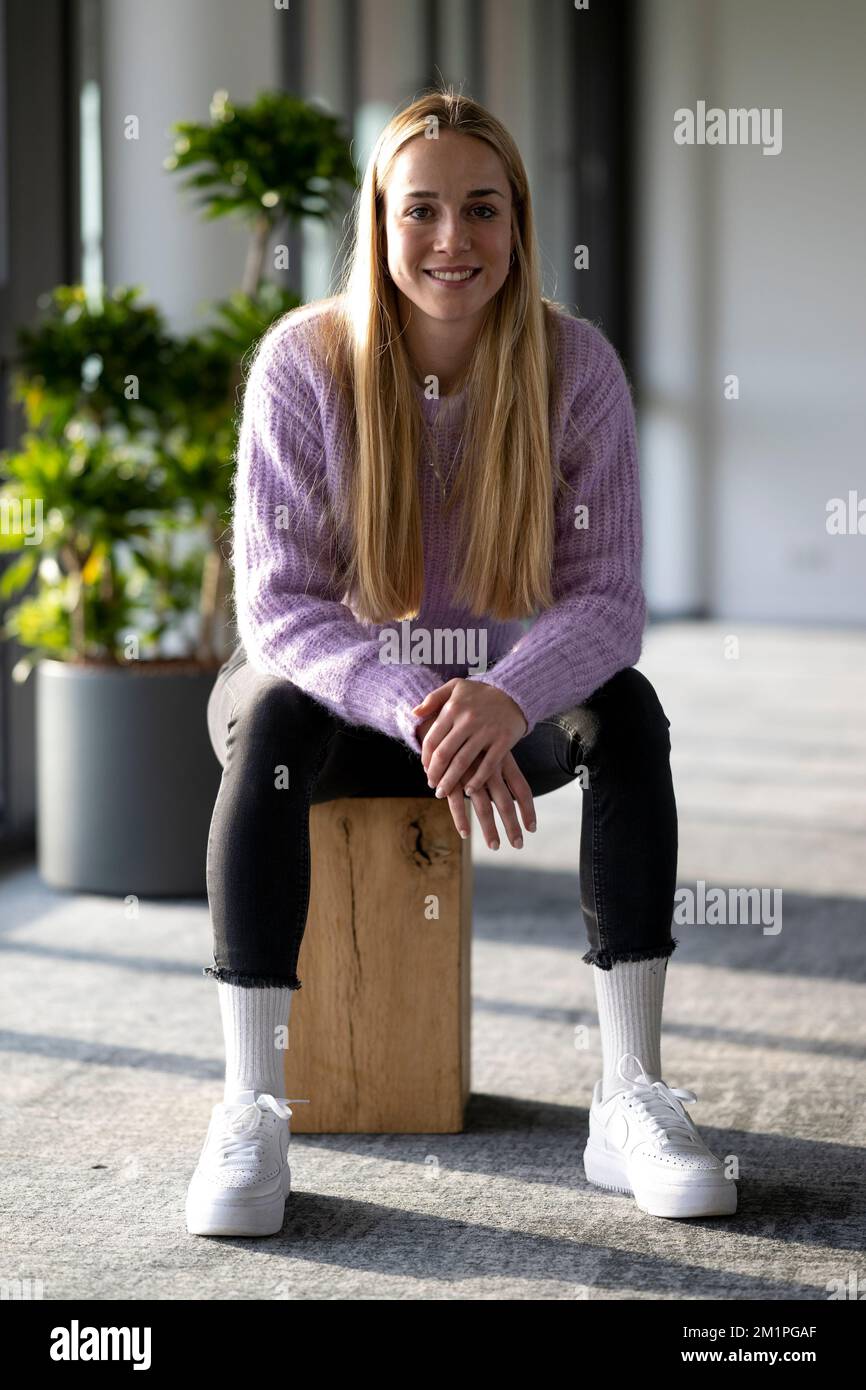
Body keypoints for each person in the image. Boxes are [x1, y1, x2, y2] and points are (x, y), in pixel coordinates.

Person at [185, 87, 736, 1238]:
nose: (451, 240)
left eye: (481, 209)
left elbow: (607, 601)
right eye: (421, 209)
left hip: (503, 718)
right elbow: (278, 606)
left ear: (518, 223)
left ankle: (626, 1094)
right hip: (333, 710)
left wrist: (505, 692)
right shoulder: (303, 362)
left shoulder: (573, 367)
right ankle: (249, 1106)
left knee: (625, 711)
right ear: (379, 221)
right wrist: (416, 694)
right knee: (276, 716)